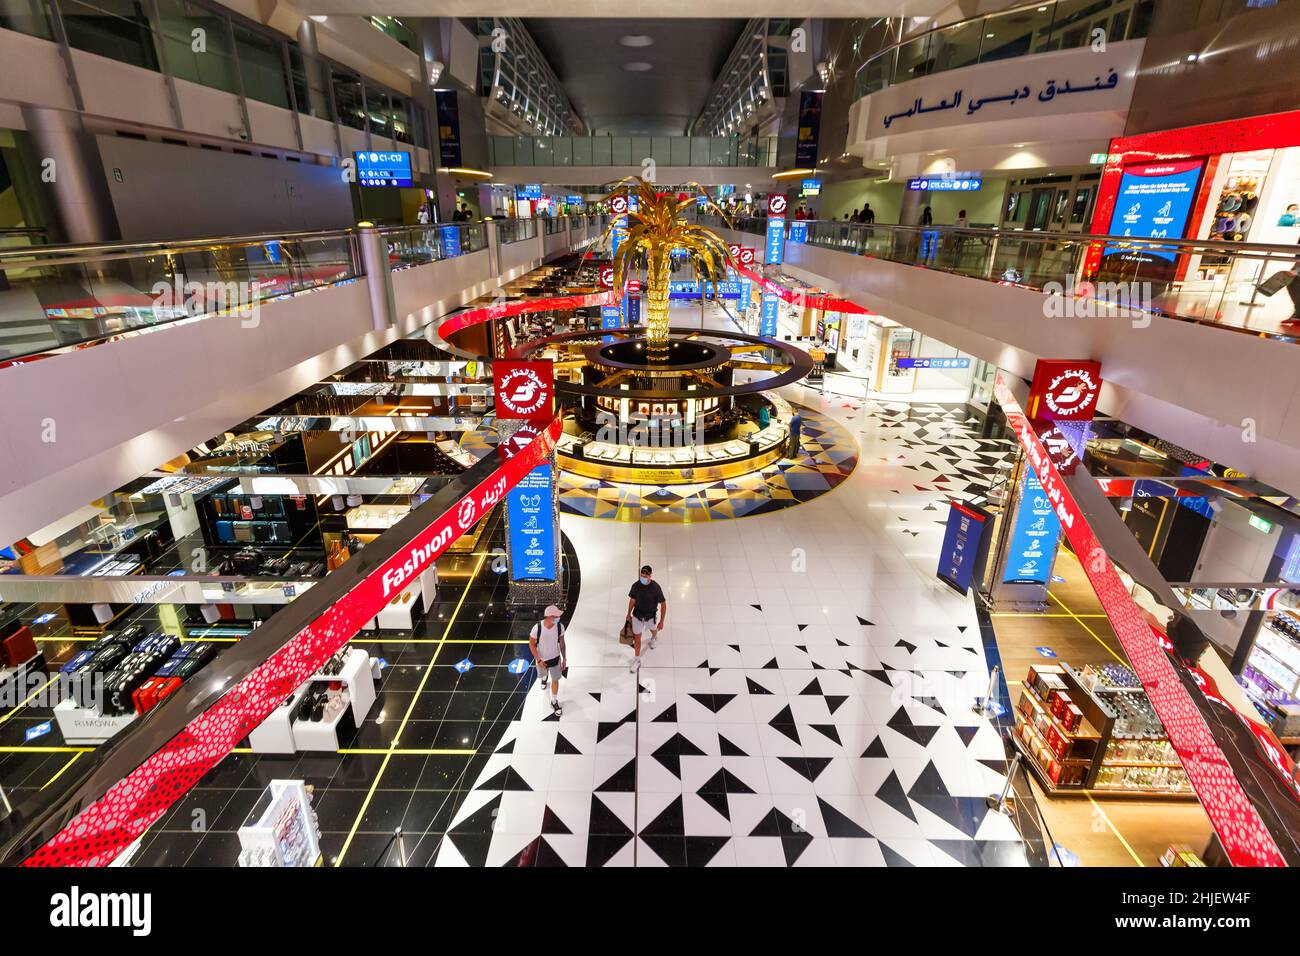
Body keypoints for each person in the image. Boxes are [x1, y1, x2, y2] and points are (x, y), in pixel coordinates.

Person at [625, 564, 666, 672]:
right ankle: (637, 659)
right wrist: (628, 614)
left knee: (653, 630)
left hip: (650, 616)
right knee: (637, 637)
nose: (642, 578)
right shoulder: (635, 586)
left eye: (645, 576)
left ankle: (654, 638)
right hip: (637, 616)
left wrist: (661, 621)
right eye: (641, 576)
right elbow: (632, 600)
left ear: (650, 576)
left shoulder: (656, 588)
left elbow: (663, 604)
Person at [528, 604, 568, 714]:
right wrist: (539, 660)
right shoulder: (537, 628)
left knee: (555, 679)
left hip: (555, 658)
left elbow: (562, 643)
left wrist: (564, 659)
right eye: (556, 616)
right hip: (542, 660)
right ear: (549, 616)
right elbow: (531, 644)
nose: (558, 618)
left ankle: (554, 700)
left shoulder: (560, 627)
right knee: (543, 674)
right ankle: (544, 678)